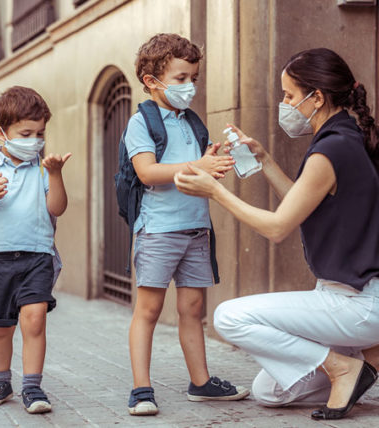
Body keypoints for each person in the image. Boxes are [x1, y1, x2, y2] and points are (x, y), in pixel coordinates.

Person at [174, 48, 379, 420]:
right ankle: (374, 351)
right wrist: (265, 160)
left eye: (288, 95)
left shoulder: (330, 150)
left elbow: (278, 226)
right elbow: (302, 205)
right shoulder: (343, 137)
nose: (284, 104)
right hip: (354, 300)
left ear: (316, 97)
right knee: (269, 392)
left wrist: (215, 192)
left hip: (359, 302)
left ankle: (344, 367)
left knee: (229, 317)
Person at [125, 33, 249, 416]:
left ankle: (201, 382)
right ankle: (141, 389)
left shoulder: (192, 122)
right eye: (180, 78)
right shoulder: (140, 123)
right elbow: (147, 172)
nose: (189, 86)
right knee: (148, 309)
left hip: (196, 228)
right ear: (152, 81)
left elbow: (196, 174)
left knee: (192, 309)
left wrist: (212, 159)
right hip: (159, 229)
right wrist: (199, 165)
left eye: (193, 77)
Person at [0, 86, 71, 414]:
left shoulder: (42, 167)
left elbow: (58, 207)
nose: (34, 140)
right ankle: (1, 381)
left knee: (34, 319)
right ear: (1, 133)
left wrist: (56, 174)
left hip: (37, 255)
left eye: (40, 133)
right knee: (1, 326)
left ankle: (32, 386)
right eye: (26, 133)